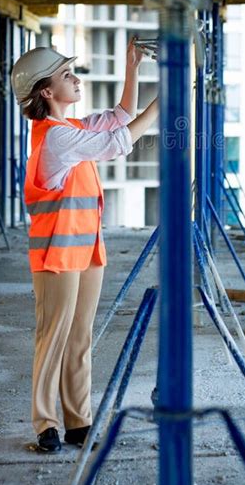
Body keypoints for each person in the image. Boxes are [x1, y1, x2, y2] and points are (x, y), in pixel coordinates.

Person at [10, 40, 158, 453]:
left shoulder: (71, 129)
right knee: (53, 336)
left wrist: (133, 68)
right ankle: (46, 424)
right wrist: (166, 103)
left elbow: (118, 119)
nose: (76, 79)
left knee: (79, 338)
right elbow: (117, 141)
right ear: (46, 91)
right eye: (66, 75)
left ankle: (78, 422)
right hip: (56, 254)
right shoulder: (55, 138)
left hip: (86, 252)